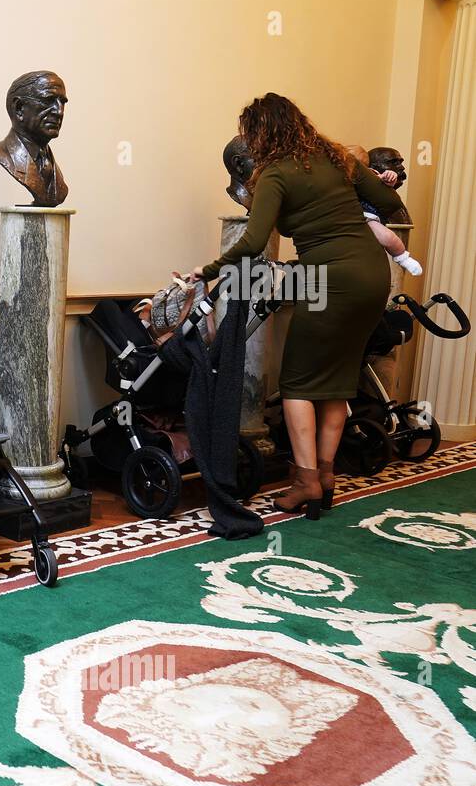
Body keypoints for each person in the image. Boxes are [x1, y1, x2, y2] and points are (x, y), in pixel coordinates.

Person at [181, 93, 403, 519]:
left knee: (298, 383)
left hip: (328, 278)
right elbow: (389, 203)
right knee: (338, 380)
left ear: (261, 135)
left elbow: (251, 241)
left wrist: (207, 269)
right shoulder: (338, 159)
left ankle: (305, 483)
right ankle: (325, 477)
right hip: (374, 276)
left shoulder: (276, 173)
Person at [0, 71, 69, 206]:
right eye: (48, 100)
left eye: (62, 103)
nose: (59, 111)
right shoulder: (3, 154)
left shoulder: (51, 165)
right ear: (19, 108)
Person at [344, 145, 422, 275]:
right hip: (352, 219)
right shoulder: (339, 178)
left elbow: (381, 184)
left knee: (389, 238)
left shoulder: (369, 175)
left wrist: (389, 177)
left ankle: (403, 258)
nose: (401, 167)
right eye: (393, 163)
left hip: (368, 216)